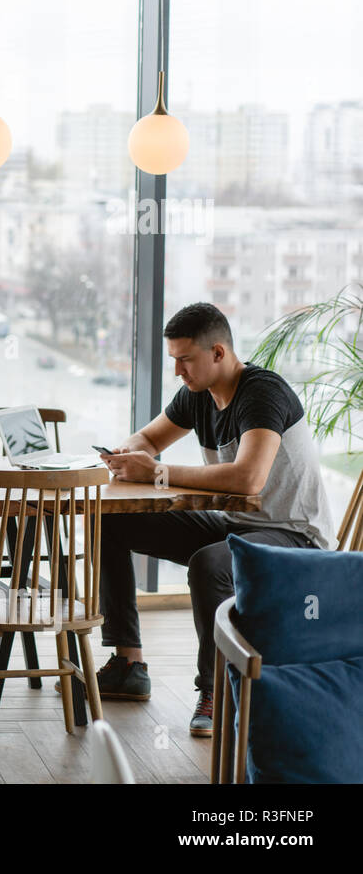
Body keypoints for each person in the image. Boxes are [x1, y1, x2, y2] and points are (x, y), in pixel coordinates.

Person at [95, 303, 333, 737]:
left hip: (294, 537)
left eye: (185, 360)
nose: (178, 372)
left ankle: (216, 691)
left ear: (218, 353)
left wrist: (159, 472)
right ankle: (128, 664)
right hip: (236, 524)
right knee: (110, 521)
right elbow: (148, 437)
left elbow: (248, 479)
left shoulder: (262, 393)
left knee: (211, 563)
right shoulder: (197, 395)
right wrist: (128, 455)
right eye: (174, 361)